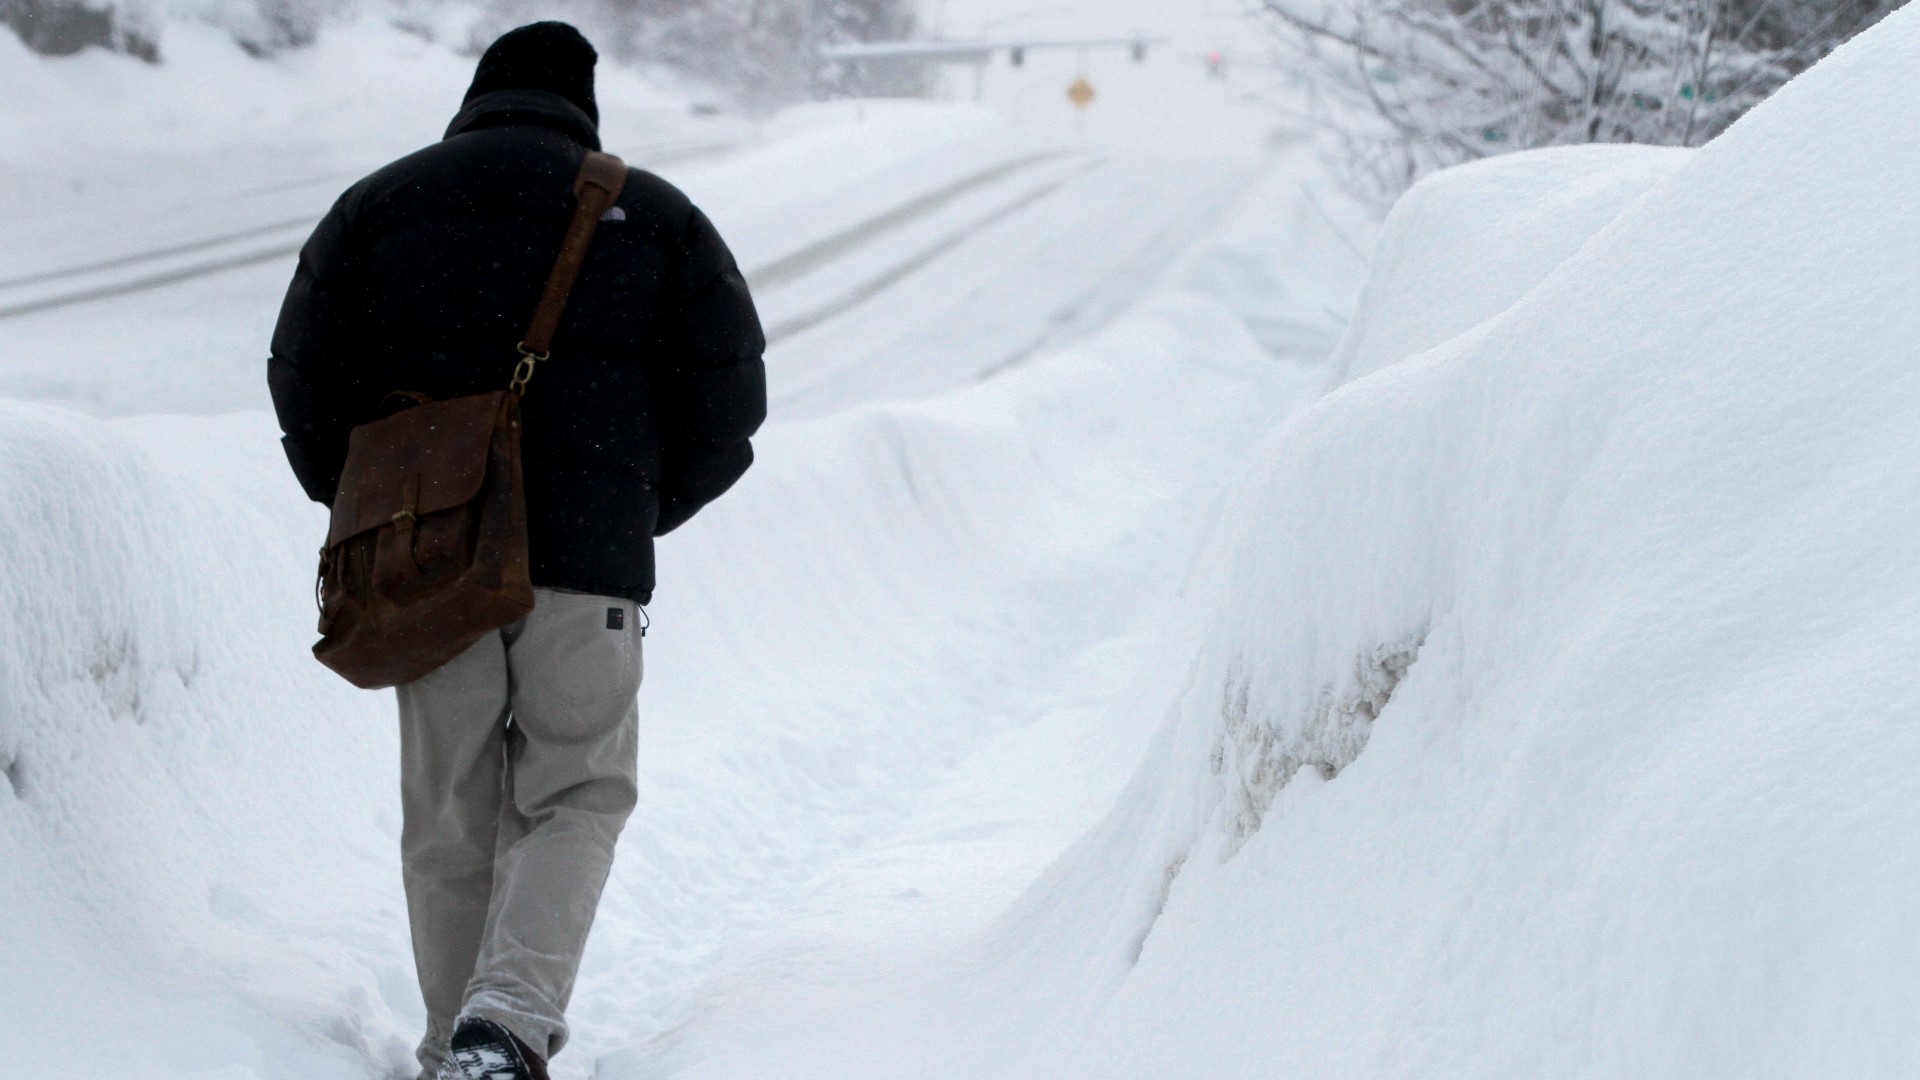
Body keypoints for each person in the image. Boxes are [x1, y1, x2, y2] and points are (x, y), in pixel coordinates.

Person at [267, 21, 766, 1080]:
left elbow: (301, 380)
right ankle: (509, 1021)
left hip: (428, 565)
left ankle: (462, 1043)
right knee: (576, 792)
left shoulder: (380, 205)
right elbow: (731, 408)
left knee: (450, 811)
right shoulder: (656, 218)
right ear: (584, 104)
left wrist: (375, 510)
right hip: (586, 569)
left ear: (476, 95)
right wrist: (631, 507)